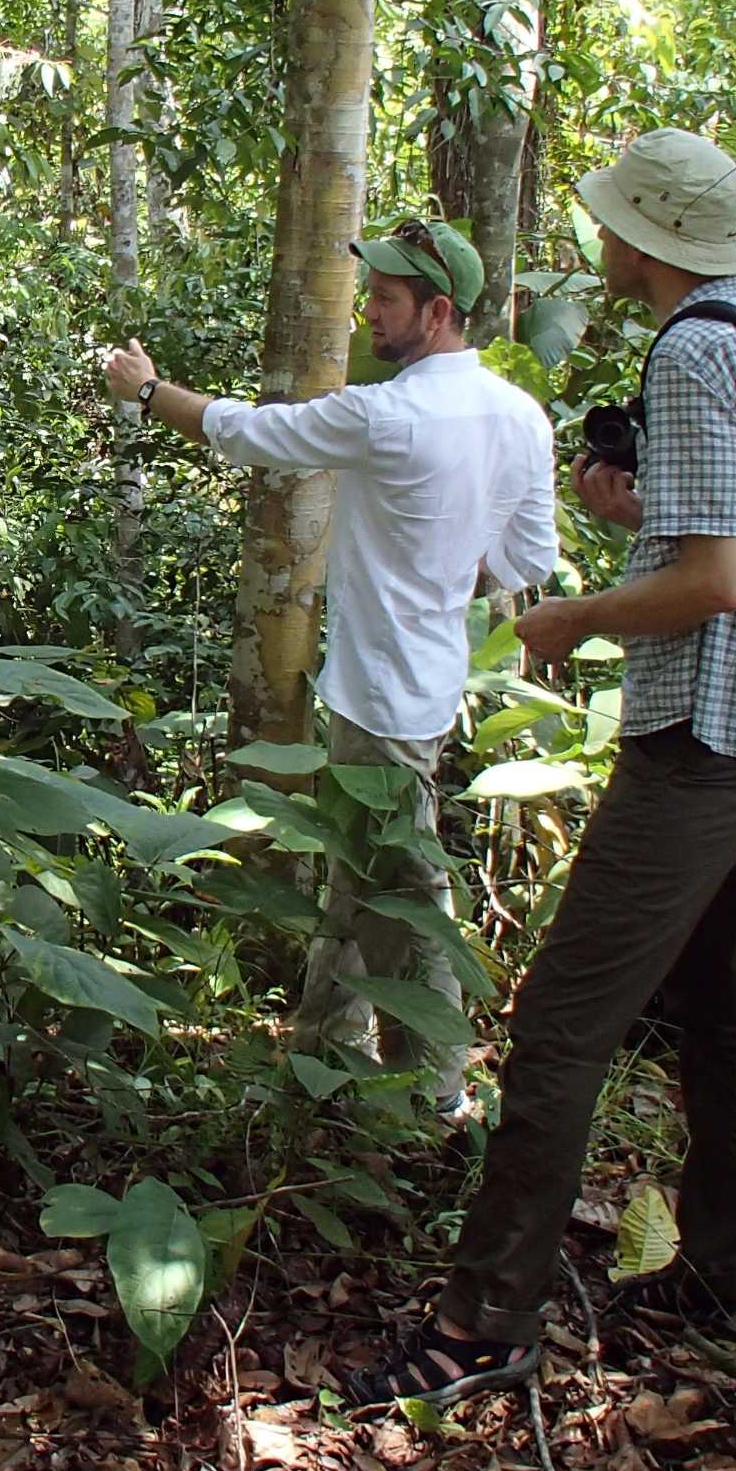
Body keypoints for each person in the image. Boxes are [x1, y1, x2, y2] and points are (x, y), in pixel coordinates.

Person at [339, 127, 736, 1409]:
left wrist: (569, 619)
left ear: (647, 235)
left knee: (557, 1031)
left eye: (611, 218)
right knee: (725, 1006)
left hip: (703, 733)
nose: (598, 237)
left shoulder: (702, 347)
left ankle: (481, 1323)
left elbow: (713, 583)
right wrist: (632, 517)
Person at [100, 217, 559, 1117]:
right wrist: (432, 578)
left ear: (437, 313)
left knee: (402, 894)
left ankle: (434, 1095)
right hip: (420, 684)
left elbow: (250, 433)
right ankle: (322, 1059)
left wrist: (146, 388)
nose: (371, 318)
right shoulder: (519, 414)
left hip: (380, 695)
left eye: (386, 302)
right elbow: (525, 558)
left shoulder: (390, 414)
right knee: (362, 877)